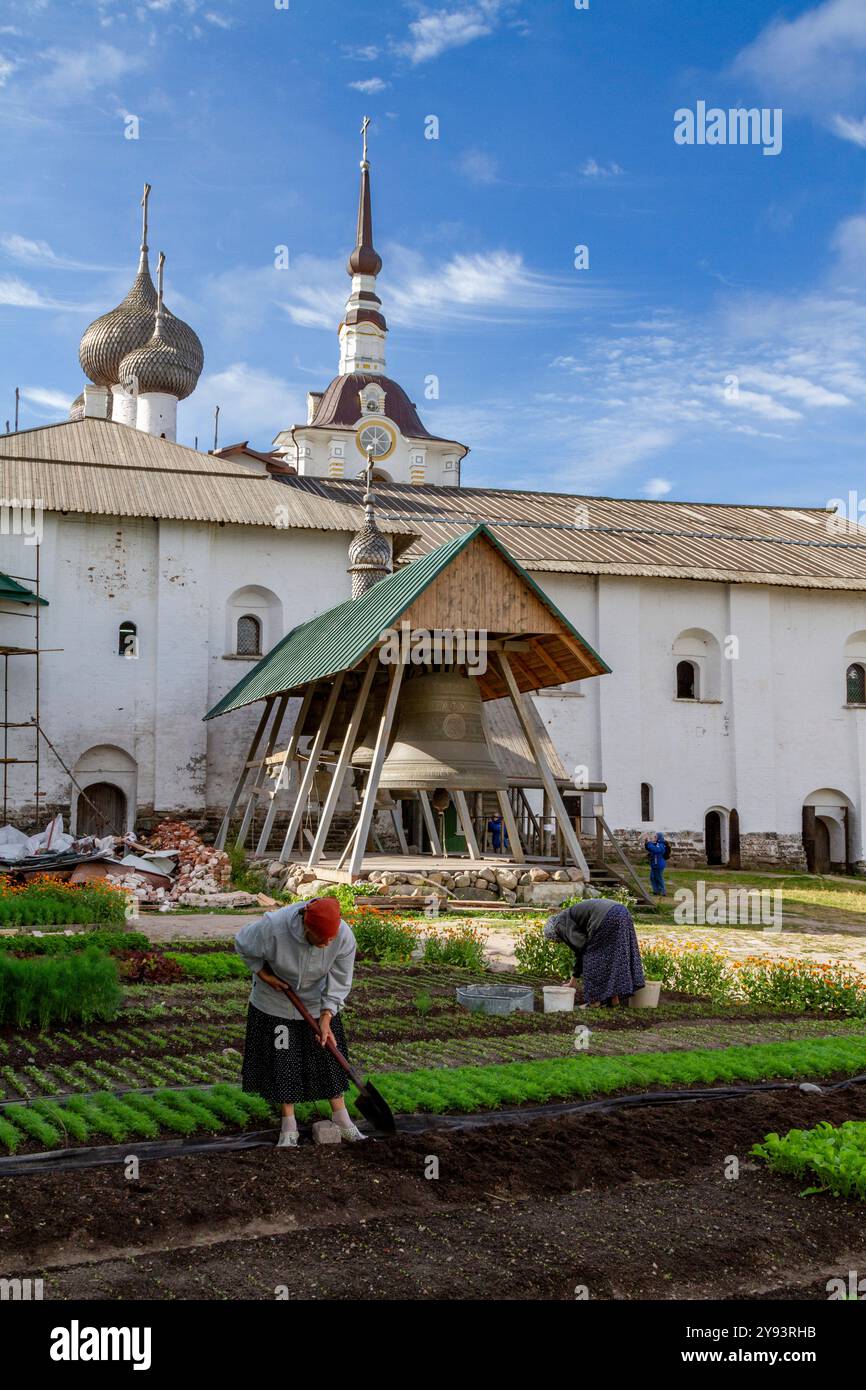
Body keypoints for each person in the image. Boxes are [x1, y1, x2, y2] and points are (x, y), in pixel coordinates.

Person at [235, 895, 365, 1148]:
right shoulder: (273, 927)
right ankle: (289, 1126)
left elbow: (340, 980)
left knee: (327, 1054)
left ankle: (343, 1120)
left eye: (332, 938)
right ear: (307, 927)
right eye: (322, 939)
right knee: (283, 1059)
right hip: (275, 1001)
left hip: (316, 1002)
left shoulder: (343, 936)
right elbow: (242, 944)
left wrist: (327, 1016)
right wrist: (264, 975)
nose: (328, 943)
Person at [544, 896, 646, 1007]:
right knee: (615, 957)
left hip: (607, 916)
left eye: (556, 941)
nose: (559, 943)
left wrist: (573, 981)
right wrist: (573, 981)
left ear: (553, 933)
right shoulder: (567, 916)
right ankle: (614, 1000)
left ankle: (594, 1002)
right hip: (622, 912)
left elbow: (582, 948)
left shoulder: (559, 925)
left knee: (592, 958)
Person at [644, 831, 669, 897]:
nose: (654, 838)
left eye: (655, 837)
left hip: (659, 864)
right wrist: (646, 843)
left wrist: (649, 843)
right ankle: (656, 891)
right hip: (654, 864)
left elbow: (656, 850)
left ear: (659, 837)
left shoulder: (661, 844)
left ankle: (663, 891)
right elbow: (650, 848)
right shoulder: (656, 843)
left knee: (659, 877)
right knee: (652, 877)